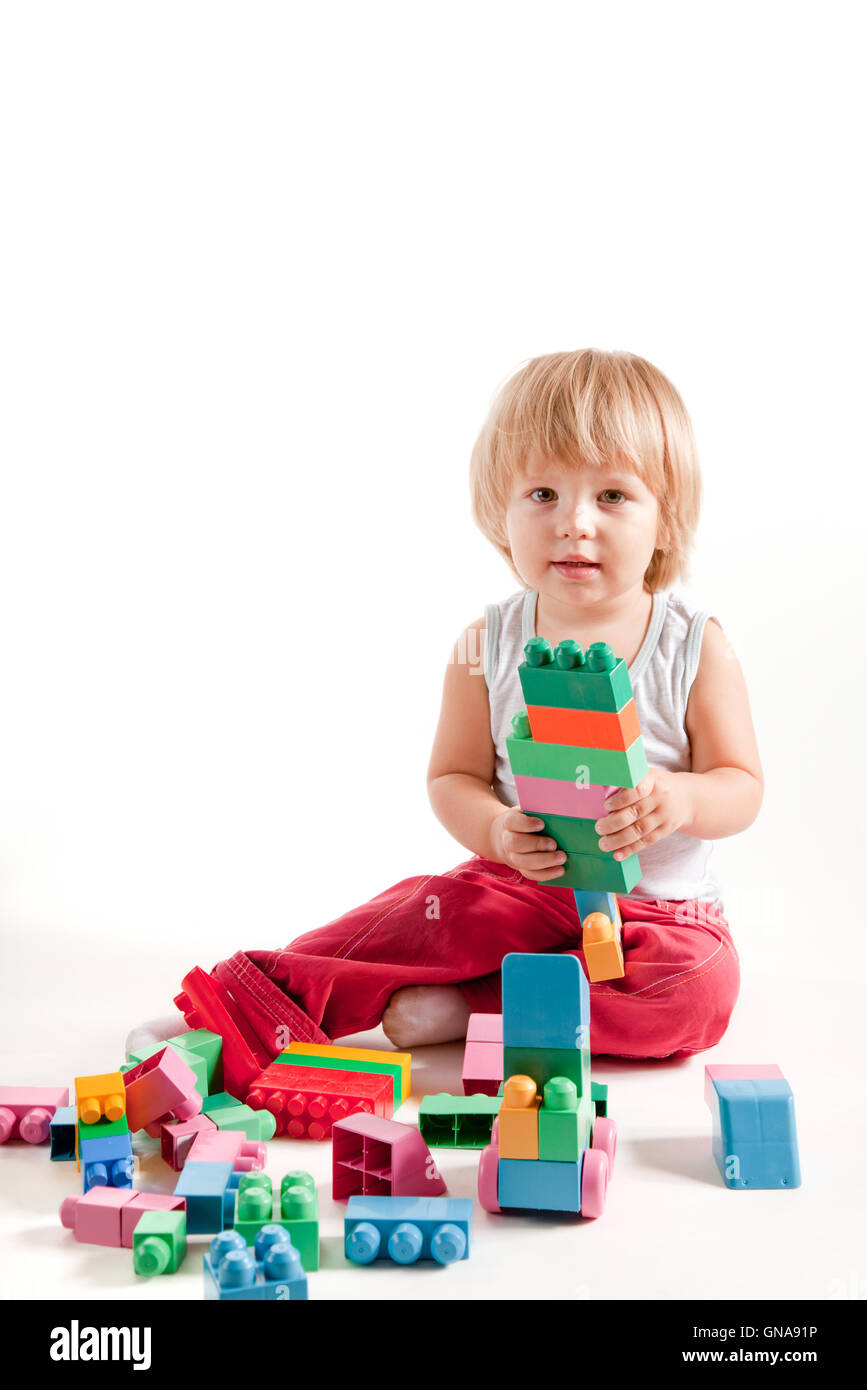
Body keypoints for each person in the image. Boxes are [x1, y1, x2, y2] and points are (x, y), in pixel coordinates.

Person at [129, 349, 761, 1064]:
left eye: (612, 496)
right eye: (543, 494)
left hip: (659, 916)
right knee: (414, 919)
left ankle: (470, 1006)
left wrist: (677, 798)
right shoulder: (486, 644)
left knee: (693, 994)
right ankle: (243, 1012)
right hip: (521, 887)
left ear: (664, 517)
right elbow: (451, 777)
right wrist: (495, 831)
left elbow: (739, 785)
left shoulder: (693, 645)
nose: (573, 522)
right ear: (502, 510)